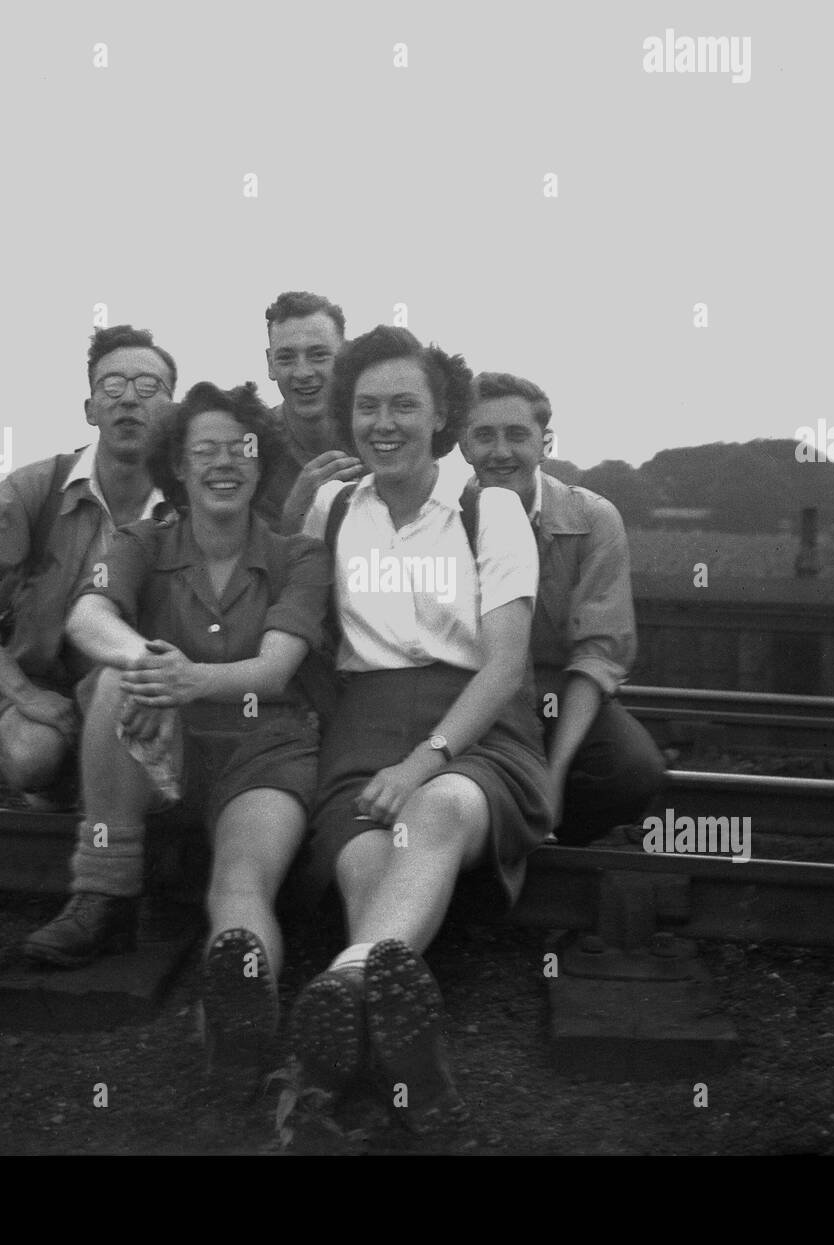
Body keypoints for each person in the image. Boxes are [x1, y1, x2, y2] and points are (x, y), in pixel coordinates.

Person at [23, 381, 331, 1062]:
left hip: (267, 753)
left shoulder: (298, 557)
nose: (224, 462)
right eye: (205, 451)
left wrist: (186, 680)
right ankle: (104, 895)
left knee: (241, 881)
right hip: (168, 754)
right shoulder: (142, 539)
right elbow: (87, 617)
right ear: (180, 467)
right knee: (113, 677)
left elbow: (276, 668)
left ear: (259, 461)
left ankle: (241, 1000)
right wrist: (156, 673)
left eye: (241, 448)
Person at [292, 327, 550, 1132]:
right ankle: (408, 1066)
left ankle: (330, 1019)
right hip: (361, 724)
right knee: (371, 866)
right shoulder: (331, 507)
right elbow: (294, 630)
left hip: (473, 723)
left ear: (441, 414)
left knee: (432, 812)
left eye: (405, 404)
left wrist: (425, 758)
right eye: (367, 406)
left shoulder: (490, 507)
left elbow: (505, 664)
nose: (384, 423)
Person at [0, 326, 177, 808]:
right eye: (112, 386)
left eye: (148, 387)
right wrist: (22, 693)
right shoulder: (37, 487)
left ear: (171, 408)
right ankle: (66, 779)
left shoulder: (185, 501)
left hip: (142, 684)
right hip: (44, 682)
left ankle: (109, 785)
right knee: (34, 757)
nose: (128, 400)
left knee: (169, 789)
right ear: (90, 409)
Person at [460, 373, 666, 842]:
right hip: (470, 695)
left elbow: (596, 654)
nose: (500, 452)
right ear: (463, 447)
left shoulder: (593, 518)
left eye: (517, 435)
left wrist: (554, 775)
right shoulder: (447, 516)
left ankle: (551, 861)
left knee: (630, 769)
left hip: (557, 697)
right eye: (484, 436)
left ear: (545, 443)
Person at [256, 290, 363, 533]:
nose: (303, 373)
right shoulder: (252, 447)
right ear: (270, 364)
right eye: (286, 358)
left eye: (318, 355)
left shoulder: (376, 435)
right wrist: (296, 512)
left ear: (344, 356)